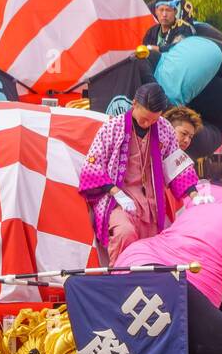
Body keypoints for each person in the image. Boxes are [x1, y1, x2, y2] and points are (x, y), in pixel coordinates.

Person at [78, 82, 201, 264]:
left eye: (153, 120)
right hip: (119, 201)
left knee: (158, 247)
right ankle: (120, 279)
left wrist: (194, 193)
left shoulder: (164, 128)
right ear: (134, 104)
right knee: (124, 233)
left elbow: (176, 165)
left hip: (151, 204)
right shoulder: (112, 128)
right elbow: (91, 167)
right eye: (144, 119)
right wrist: (116, 192)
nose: (148, 124)